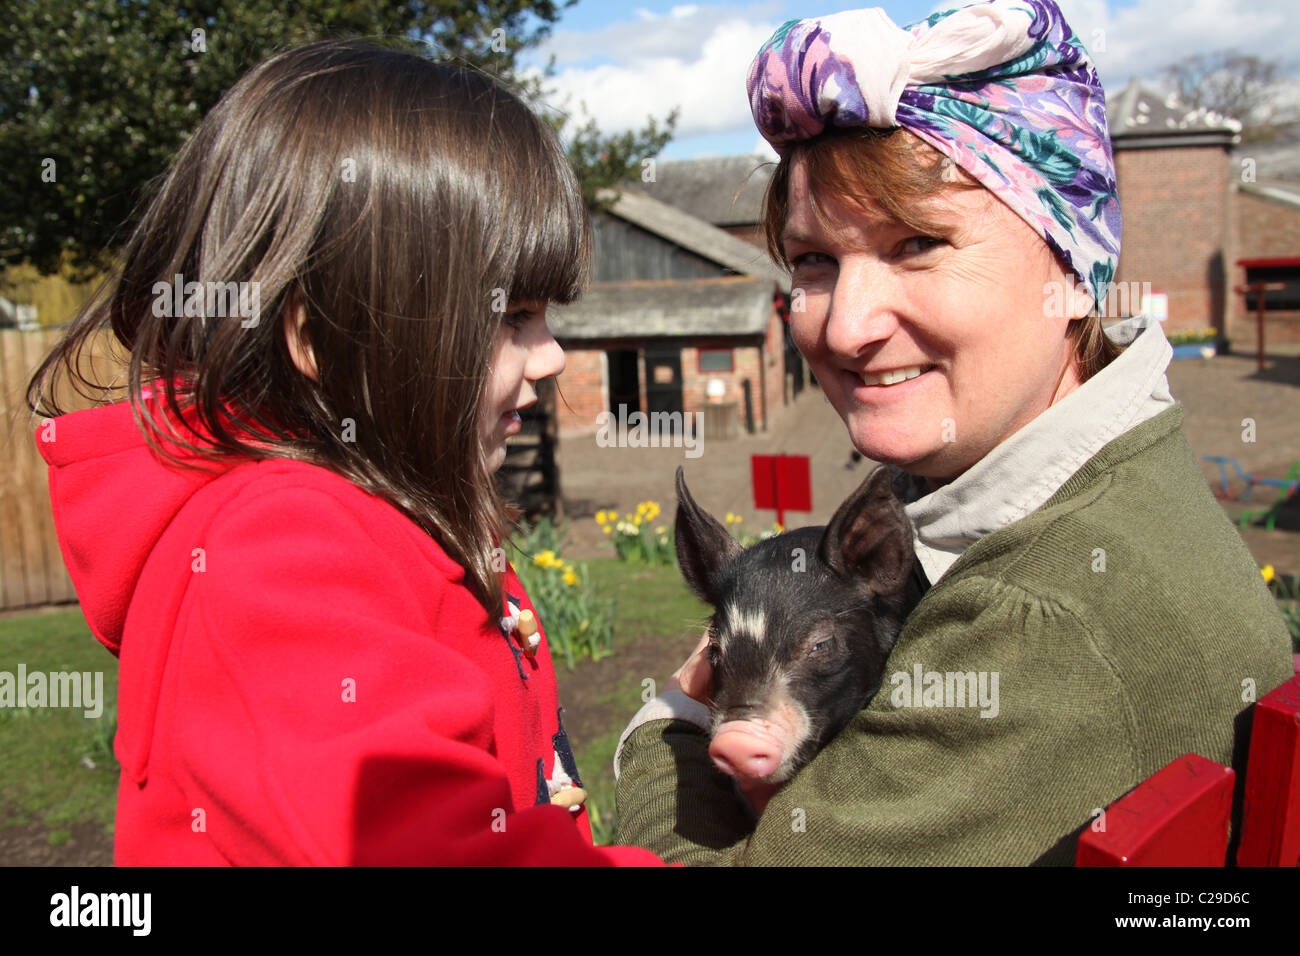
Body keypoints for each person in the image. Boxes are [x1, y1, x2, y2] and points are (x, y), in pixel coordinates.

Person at [613, 0, 1294, 865]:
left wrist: (670, 724)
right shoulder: (1112, 487)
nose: (849, 325)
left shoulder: (1033, 619)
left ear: (1077, 271)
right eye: (815, 261)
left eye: (919, 244)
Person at [28, 39, 660, 866]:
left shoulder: (368, 515)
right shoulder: (278, 549)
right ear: (323, 335)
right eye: (513, 318)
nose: (551, 357)